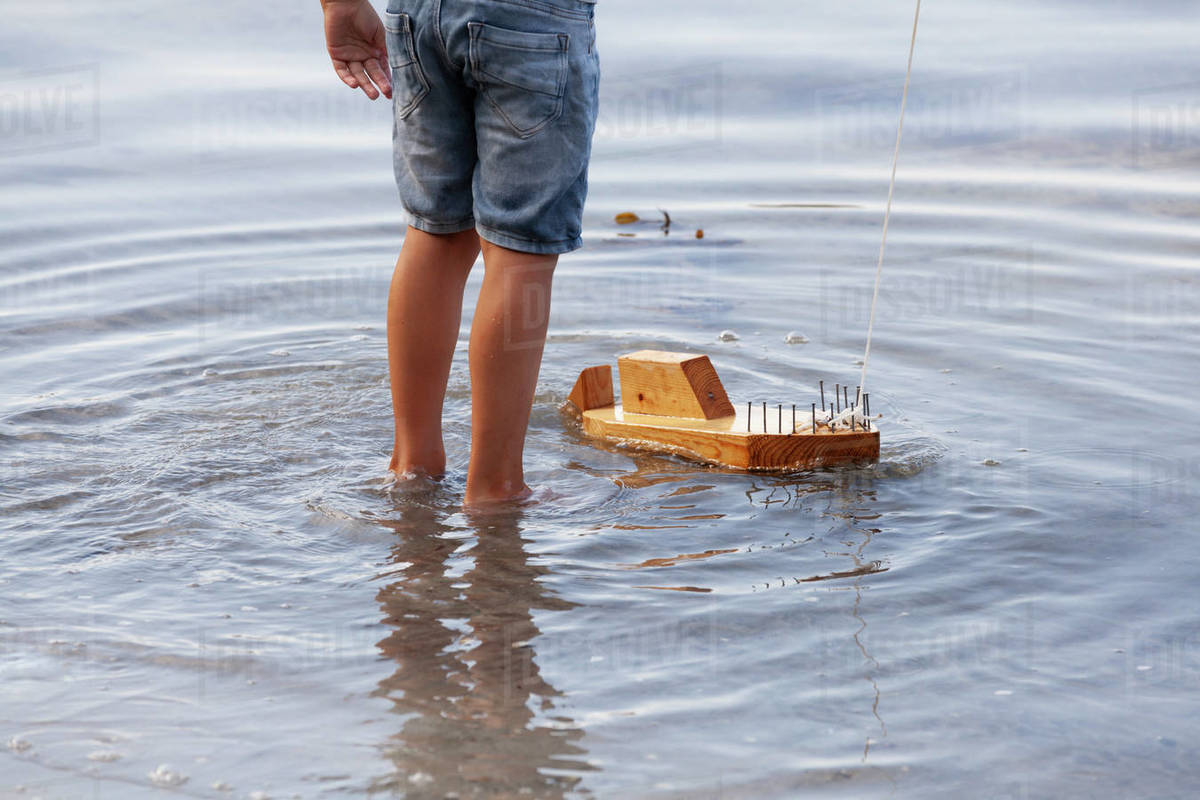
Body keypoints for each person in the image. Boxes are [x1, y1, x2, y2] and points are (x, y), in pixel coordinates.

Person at [320, 0, 600, 504]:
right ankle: (497, 487)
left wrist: (337, 4)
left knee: (436, 234)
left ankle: (412, 465)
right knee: (522, 249)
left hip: (417, 16)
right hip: (532, 20)